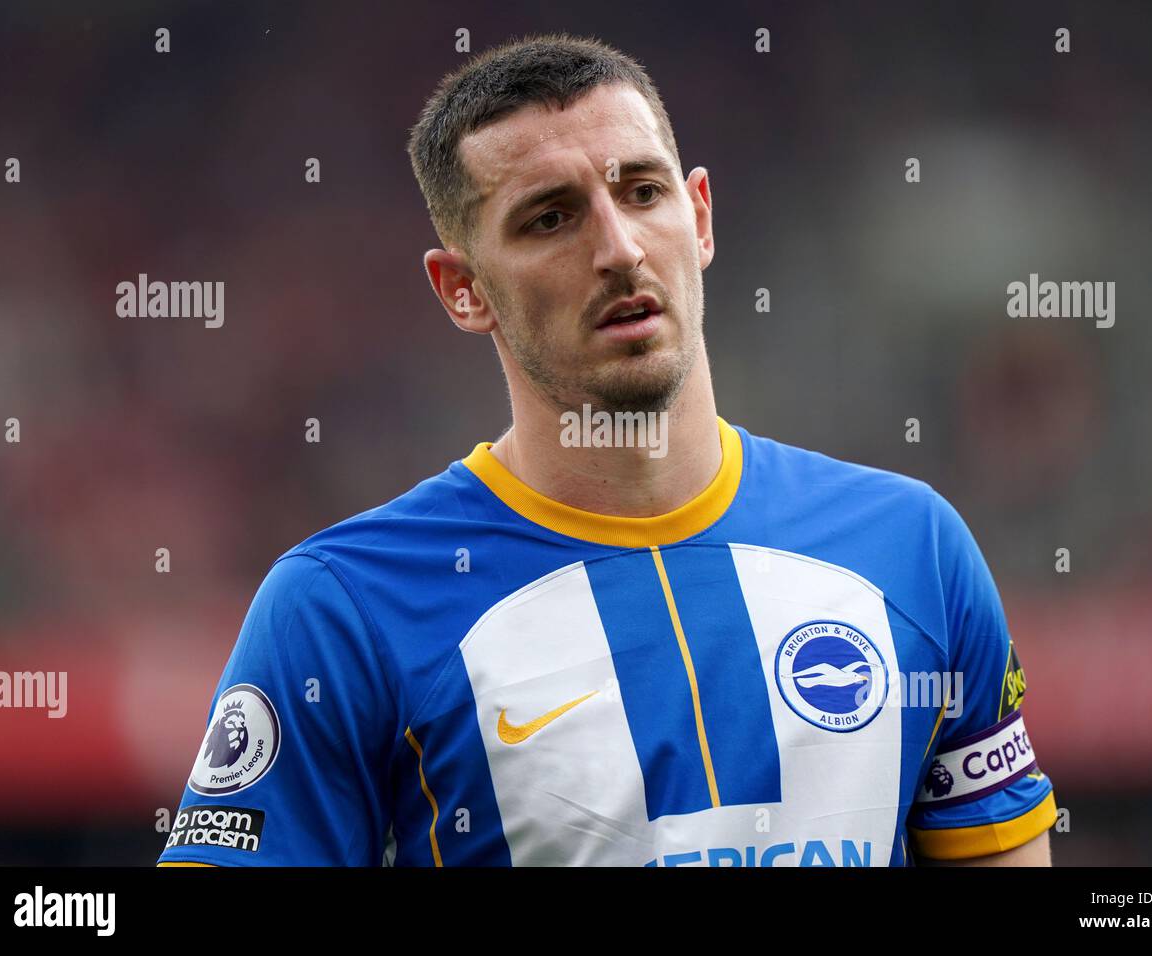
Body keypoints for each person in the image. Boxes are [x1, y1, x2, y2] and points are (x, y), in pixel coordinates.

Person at [158, 32, 1054, 867]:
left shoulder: (913, 552)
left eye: (643, 193)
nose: (620, 250)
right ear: (463, 289)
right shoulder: (342, 610)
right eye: (551, 218)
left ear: (700, 217)